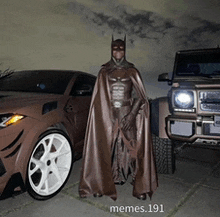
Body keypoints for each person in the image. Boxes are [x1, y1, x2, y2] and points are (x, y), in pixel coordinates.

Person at [79, 36, 158, 200]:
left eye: (121, 48)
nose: (118, 51)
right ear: (111, 49)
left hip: (127, 111)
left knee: (133, 148)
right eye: (115, 48)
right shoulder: (104, 71)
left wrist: (131, 115)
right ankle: (100, 184)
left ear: (125, 50)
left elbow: (139, 96)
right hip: (108, 113)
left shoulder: (132, 71)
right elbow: (99, 97)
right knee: (105, 148)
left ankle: (139, 186)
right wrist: (104, 117)